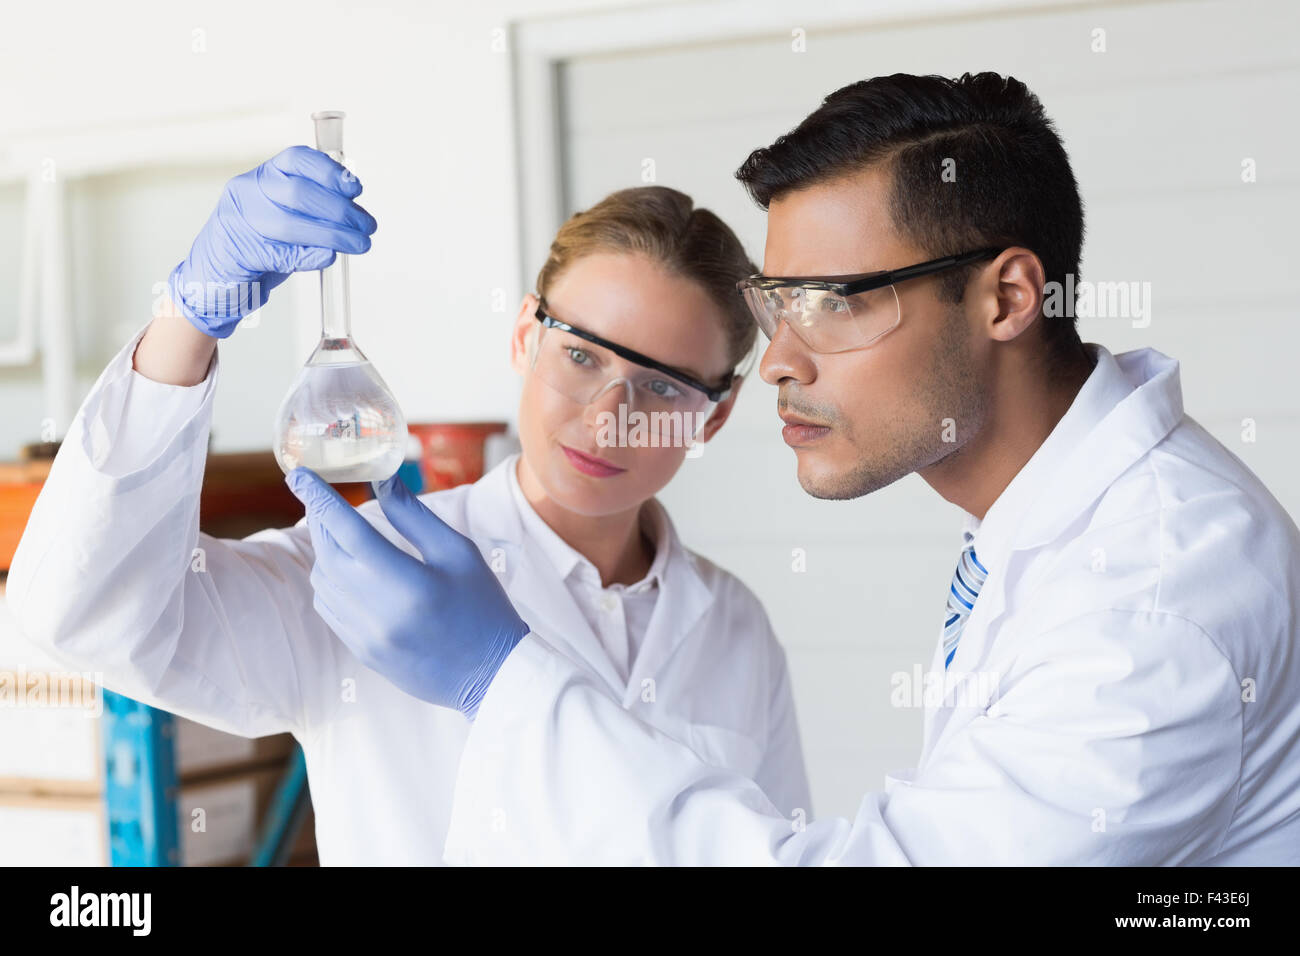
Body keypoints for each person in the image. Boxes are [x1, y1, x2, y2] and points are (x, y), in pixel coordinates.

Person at [282, 72, 1300, 865]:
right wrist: (189, 324)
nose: (777, 358)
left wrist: (499, 678)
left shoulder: (1153, 596)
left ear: (1006, 297)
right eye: (778, 305)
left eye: (835, 301)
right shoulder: (1053, 520)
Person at [5, 151, 812, 864]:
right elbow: (85, 613)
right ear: (526, 337)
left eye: (663, 385)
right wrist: (187, 318)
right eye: (579, 354)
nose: (608, 416)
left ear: (715, 412)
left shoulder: (737, 629)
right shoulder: (369, 570)